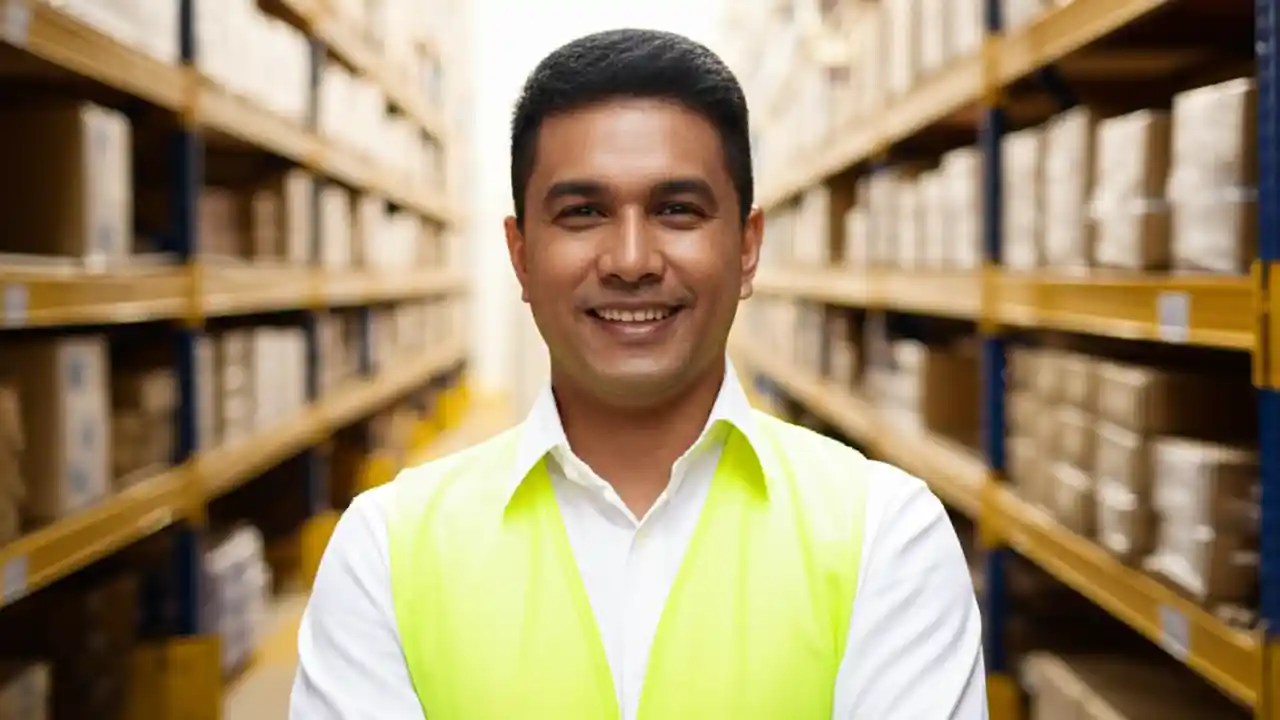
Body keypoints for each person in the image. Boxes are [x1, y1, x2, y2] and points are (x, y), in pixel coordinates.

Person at [290, 28, 987, 719]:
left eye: (676, 210)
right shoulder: (386, 552)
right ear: (522, 253)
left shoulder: (886, 539)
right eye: (584, 212)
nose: (630, 259)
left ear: (747, 249)